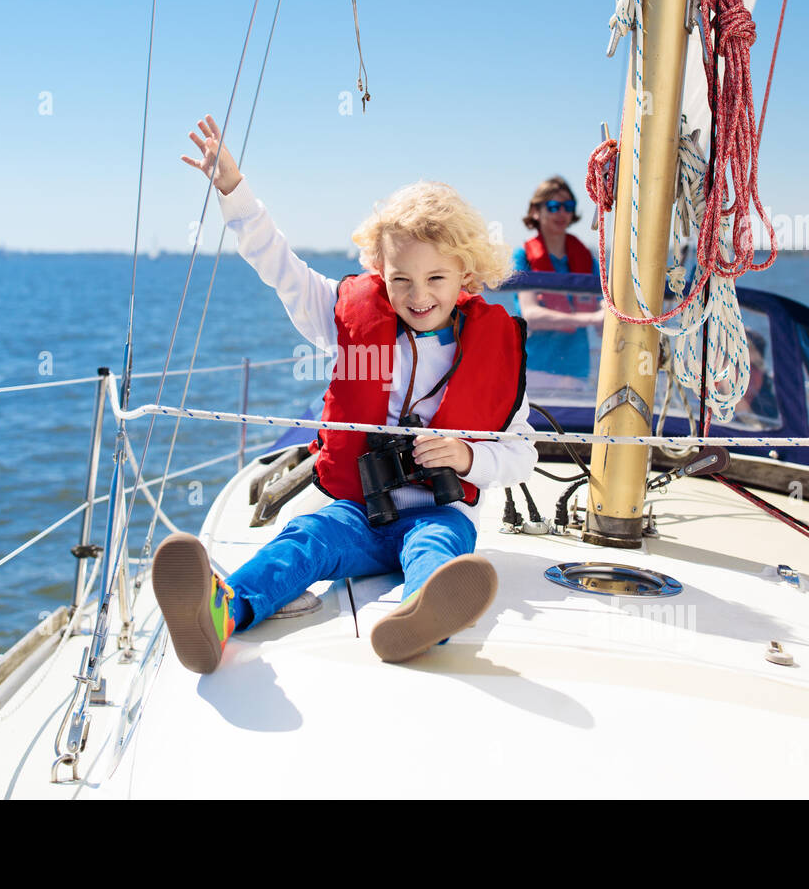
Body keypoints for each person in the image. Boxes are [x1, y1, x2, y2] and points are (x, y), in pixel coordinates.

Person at [151, 115, 537, 673]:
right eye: (401, 279)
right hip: (360, 511)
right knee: (306, 537)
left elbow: (522, 452)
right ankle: (222, 609)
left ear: (466, 277)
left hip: (440, 511)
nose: (417, 294)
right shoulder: (346, 315)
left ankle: (424, 617)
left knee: (435, 549)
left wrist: (469, 456)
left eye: (436, 279)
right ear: (381, 273)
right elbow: (280, 267)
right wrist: (235, 191)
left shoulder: (496, 351)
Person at [510, 176, 605, 391]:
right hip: (535, 368)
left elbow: (602, 302)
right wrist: (593, 318)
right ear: (536, 211)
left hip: (577, 367)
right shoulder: (522, 255)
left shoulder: (585, 257)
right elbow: (530, 315)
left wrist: (608, 313)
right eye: (554, 206)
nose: (562, 213)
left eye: (568, 206)